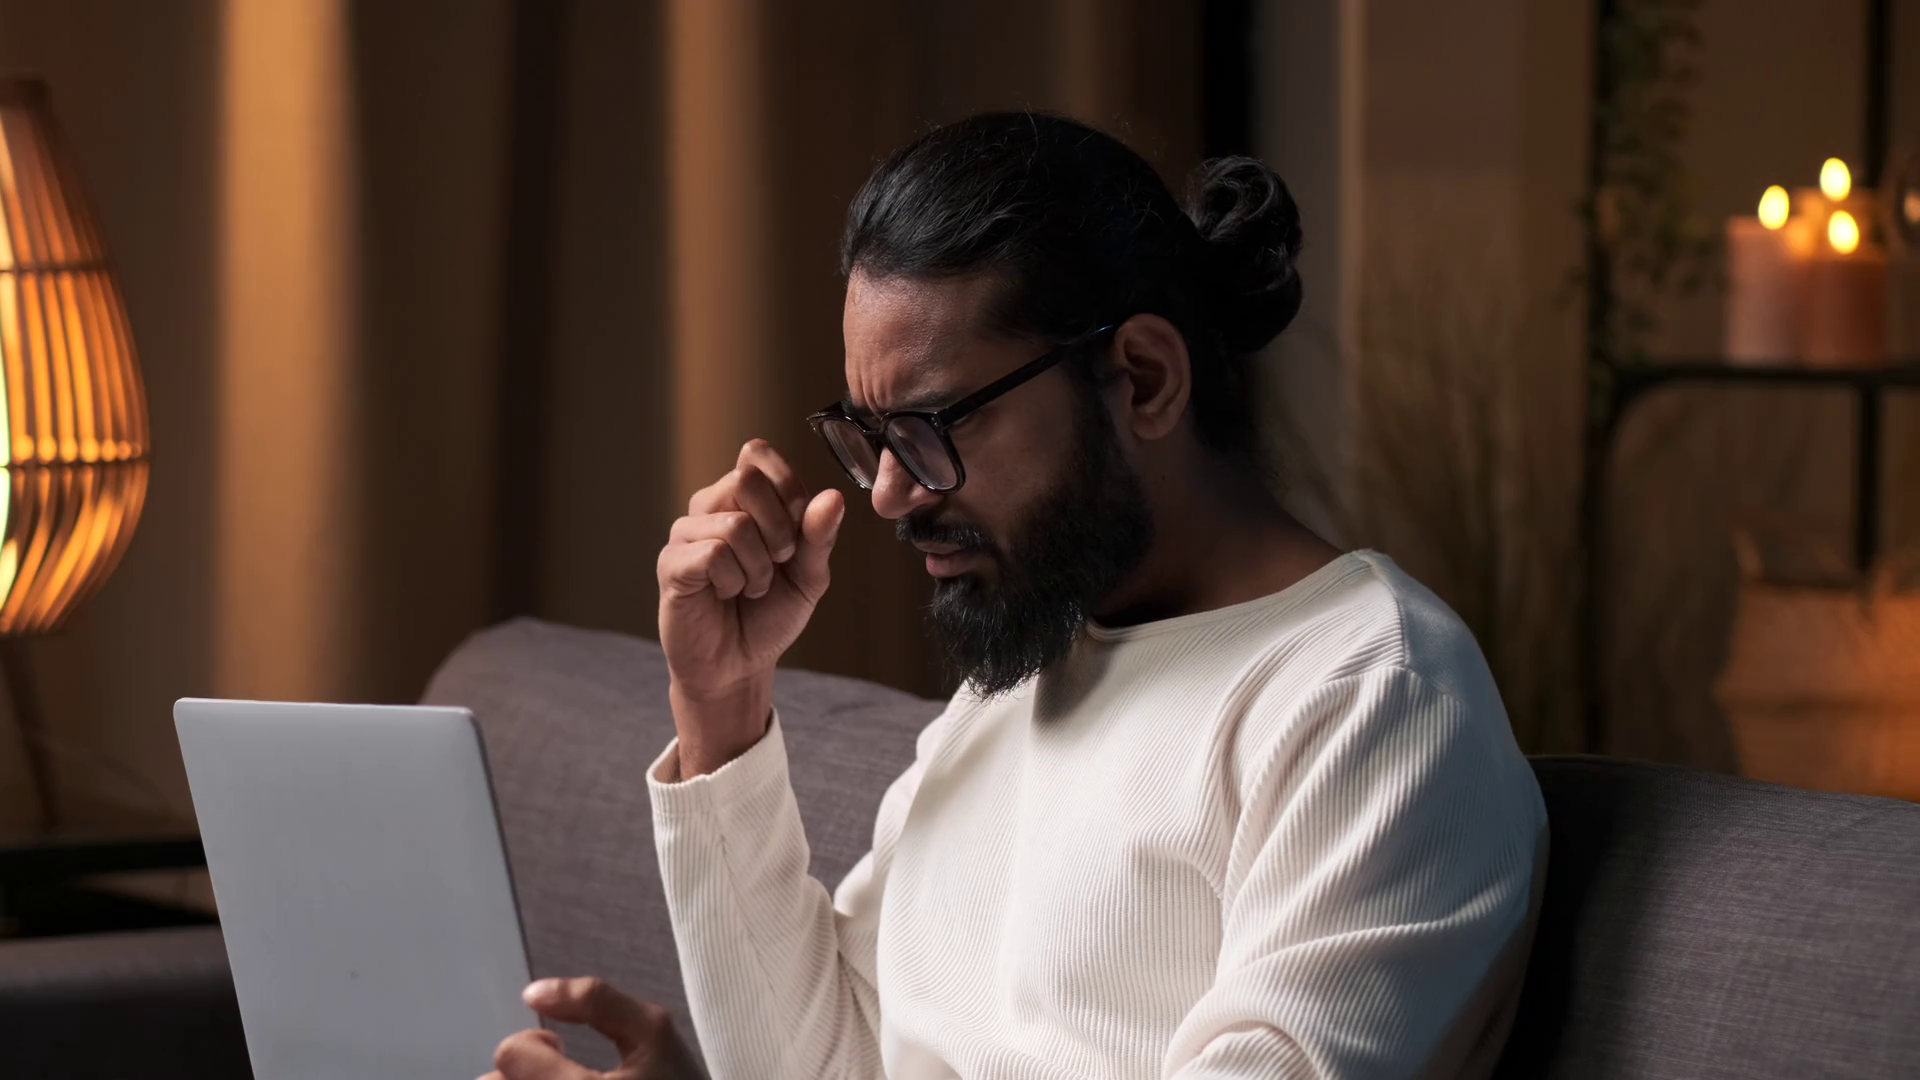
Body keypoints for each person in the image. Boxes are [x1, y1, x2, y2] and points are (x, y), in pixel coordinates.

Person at [484, 112, 1548, 1080]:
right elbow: (823, 1063)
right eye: (869, 436)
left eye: (934, 427)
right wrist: (721, 706)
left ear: (1141, 378)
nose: (894, 493)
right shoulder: (1024, 671)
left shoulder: (1373, 697)